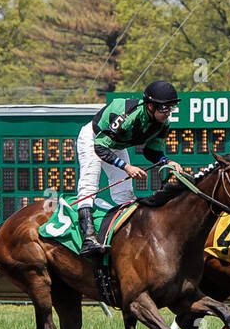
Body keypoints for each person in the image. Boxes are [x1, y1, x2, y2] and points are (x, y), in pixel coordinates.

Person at [76, 81, 183, 255]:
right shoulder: (127, 115)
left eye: (171, 108)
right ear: (150, 106)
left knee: (125, 193)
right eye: (164, 108)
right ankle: (88, 238)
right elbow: (100, 146)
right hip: (94, 139)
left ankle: (129, 235)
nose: (168, 113)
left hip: (116, 144)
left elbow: (151, 151)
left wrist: (166, 161)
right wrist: (126, 167)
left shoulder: (163, 124)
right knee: (90, 184)